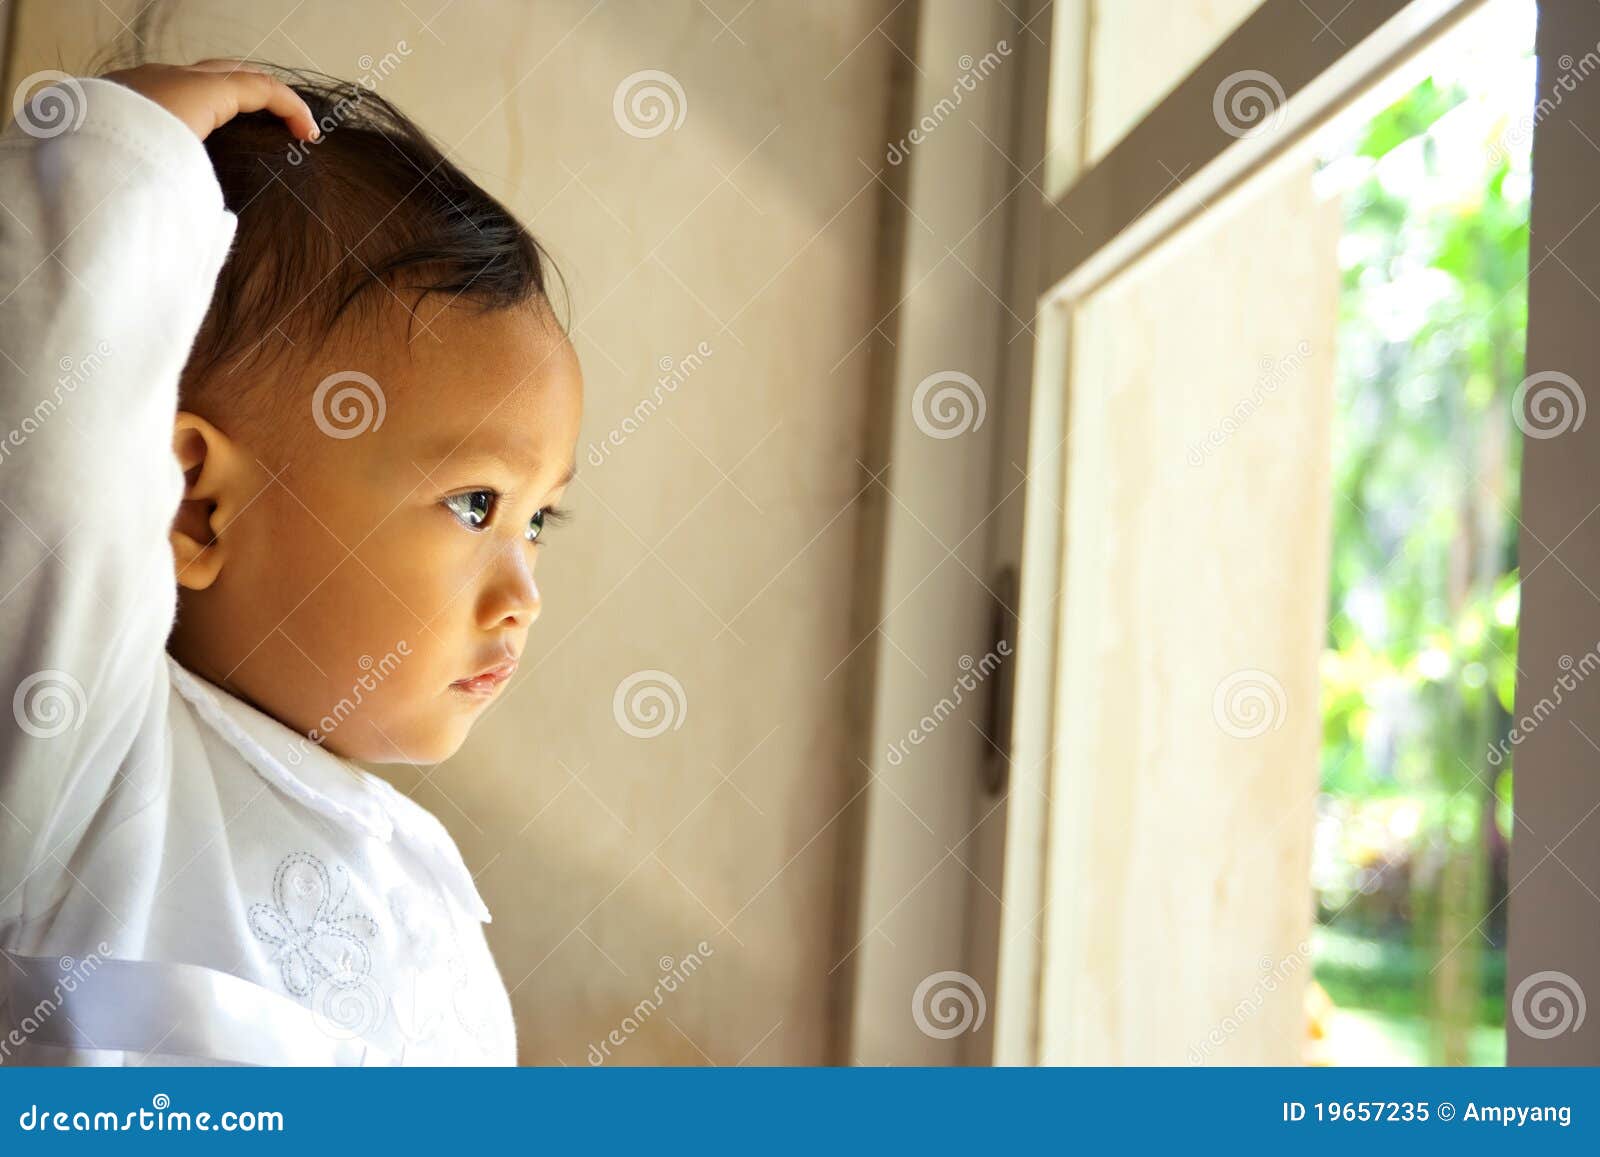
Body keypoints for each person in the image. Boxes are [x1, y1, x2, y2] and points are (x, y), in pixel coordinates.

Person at [0, 59, 582, 1065]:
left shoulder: (417, 880)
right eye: (475, 501)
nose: (521, 593)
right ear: (197, 502)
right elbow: (53, 471)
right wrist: (117, 162)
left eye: (537, 519)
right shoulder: (90, 748)